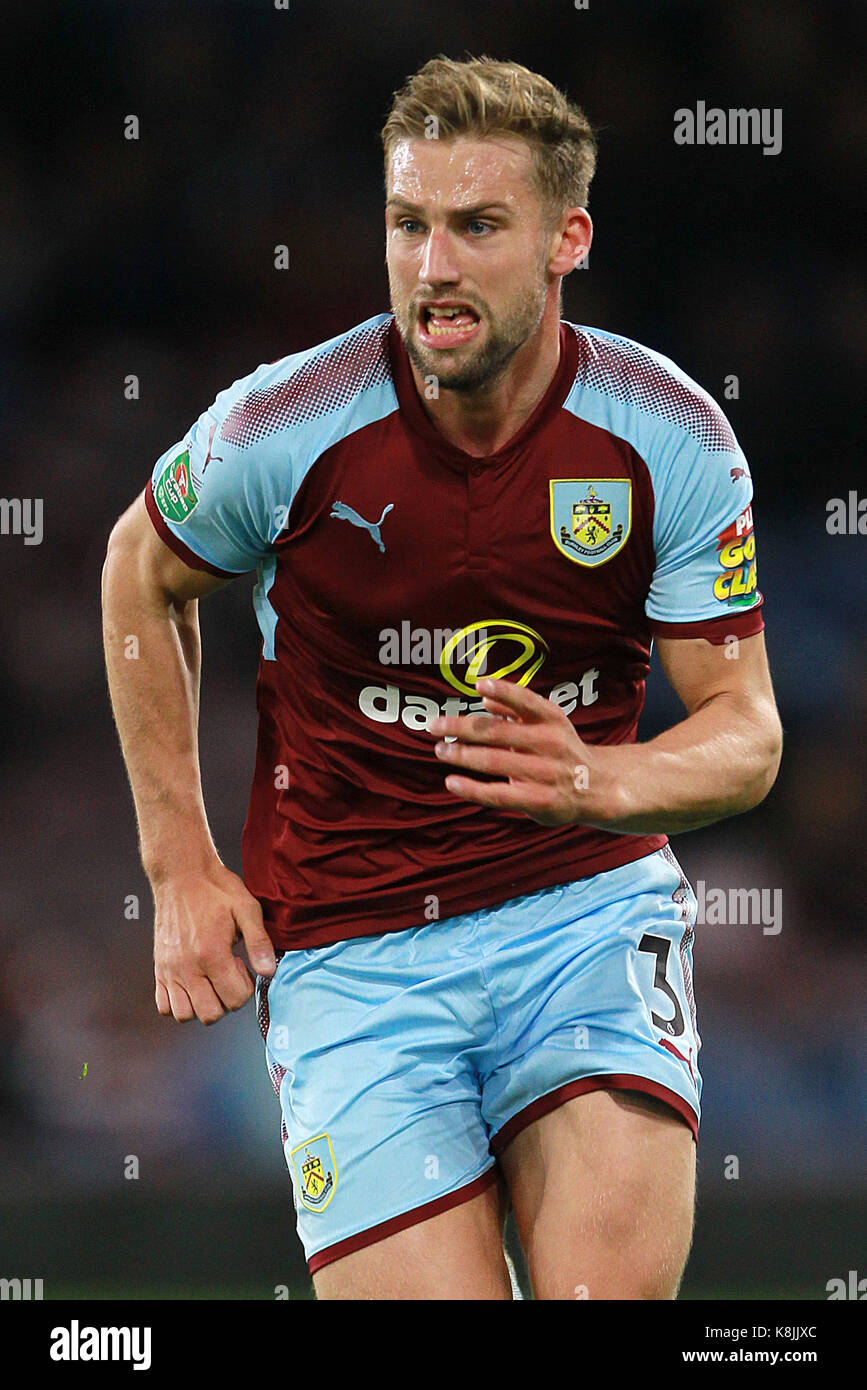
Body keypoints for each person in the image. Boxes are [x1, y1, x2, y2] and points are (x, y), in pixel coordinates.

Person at [101, 54, 782, 1300]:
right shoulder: (286, 424)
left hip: (578, 914)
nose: (433, 267)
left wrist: (606, 779)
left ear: (567, 238)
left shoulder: (669, 436)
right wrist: (178, 863)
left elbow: (748, 734)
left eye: (477, 227)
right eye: (409, 225)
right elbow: (137, 568)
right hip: (351, 949)